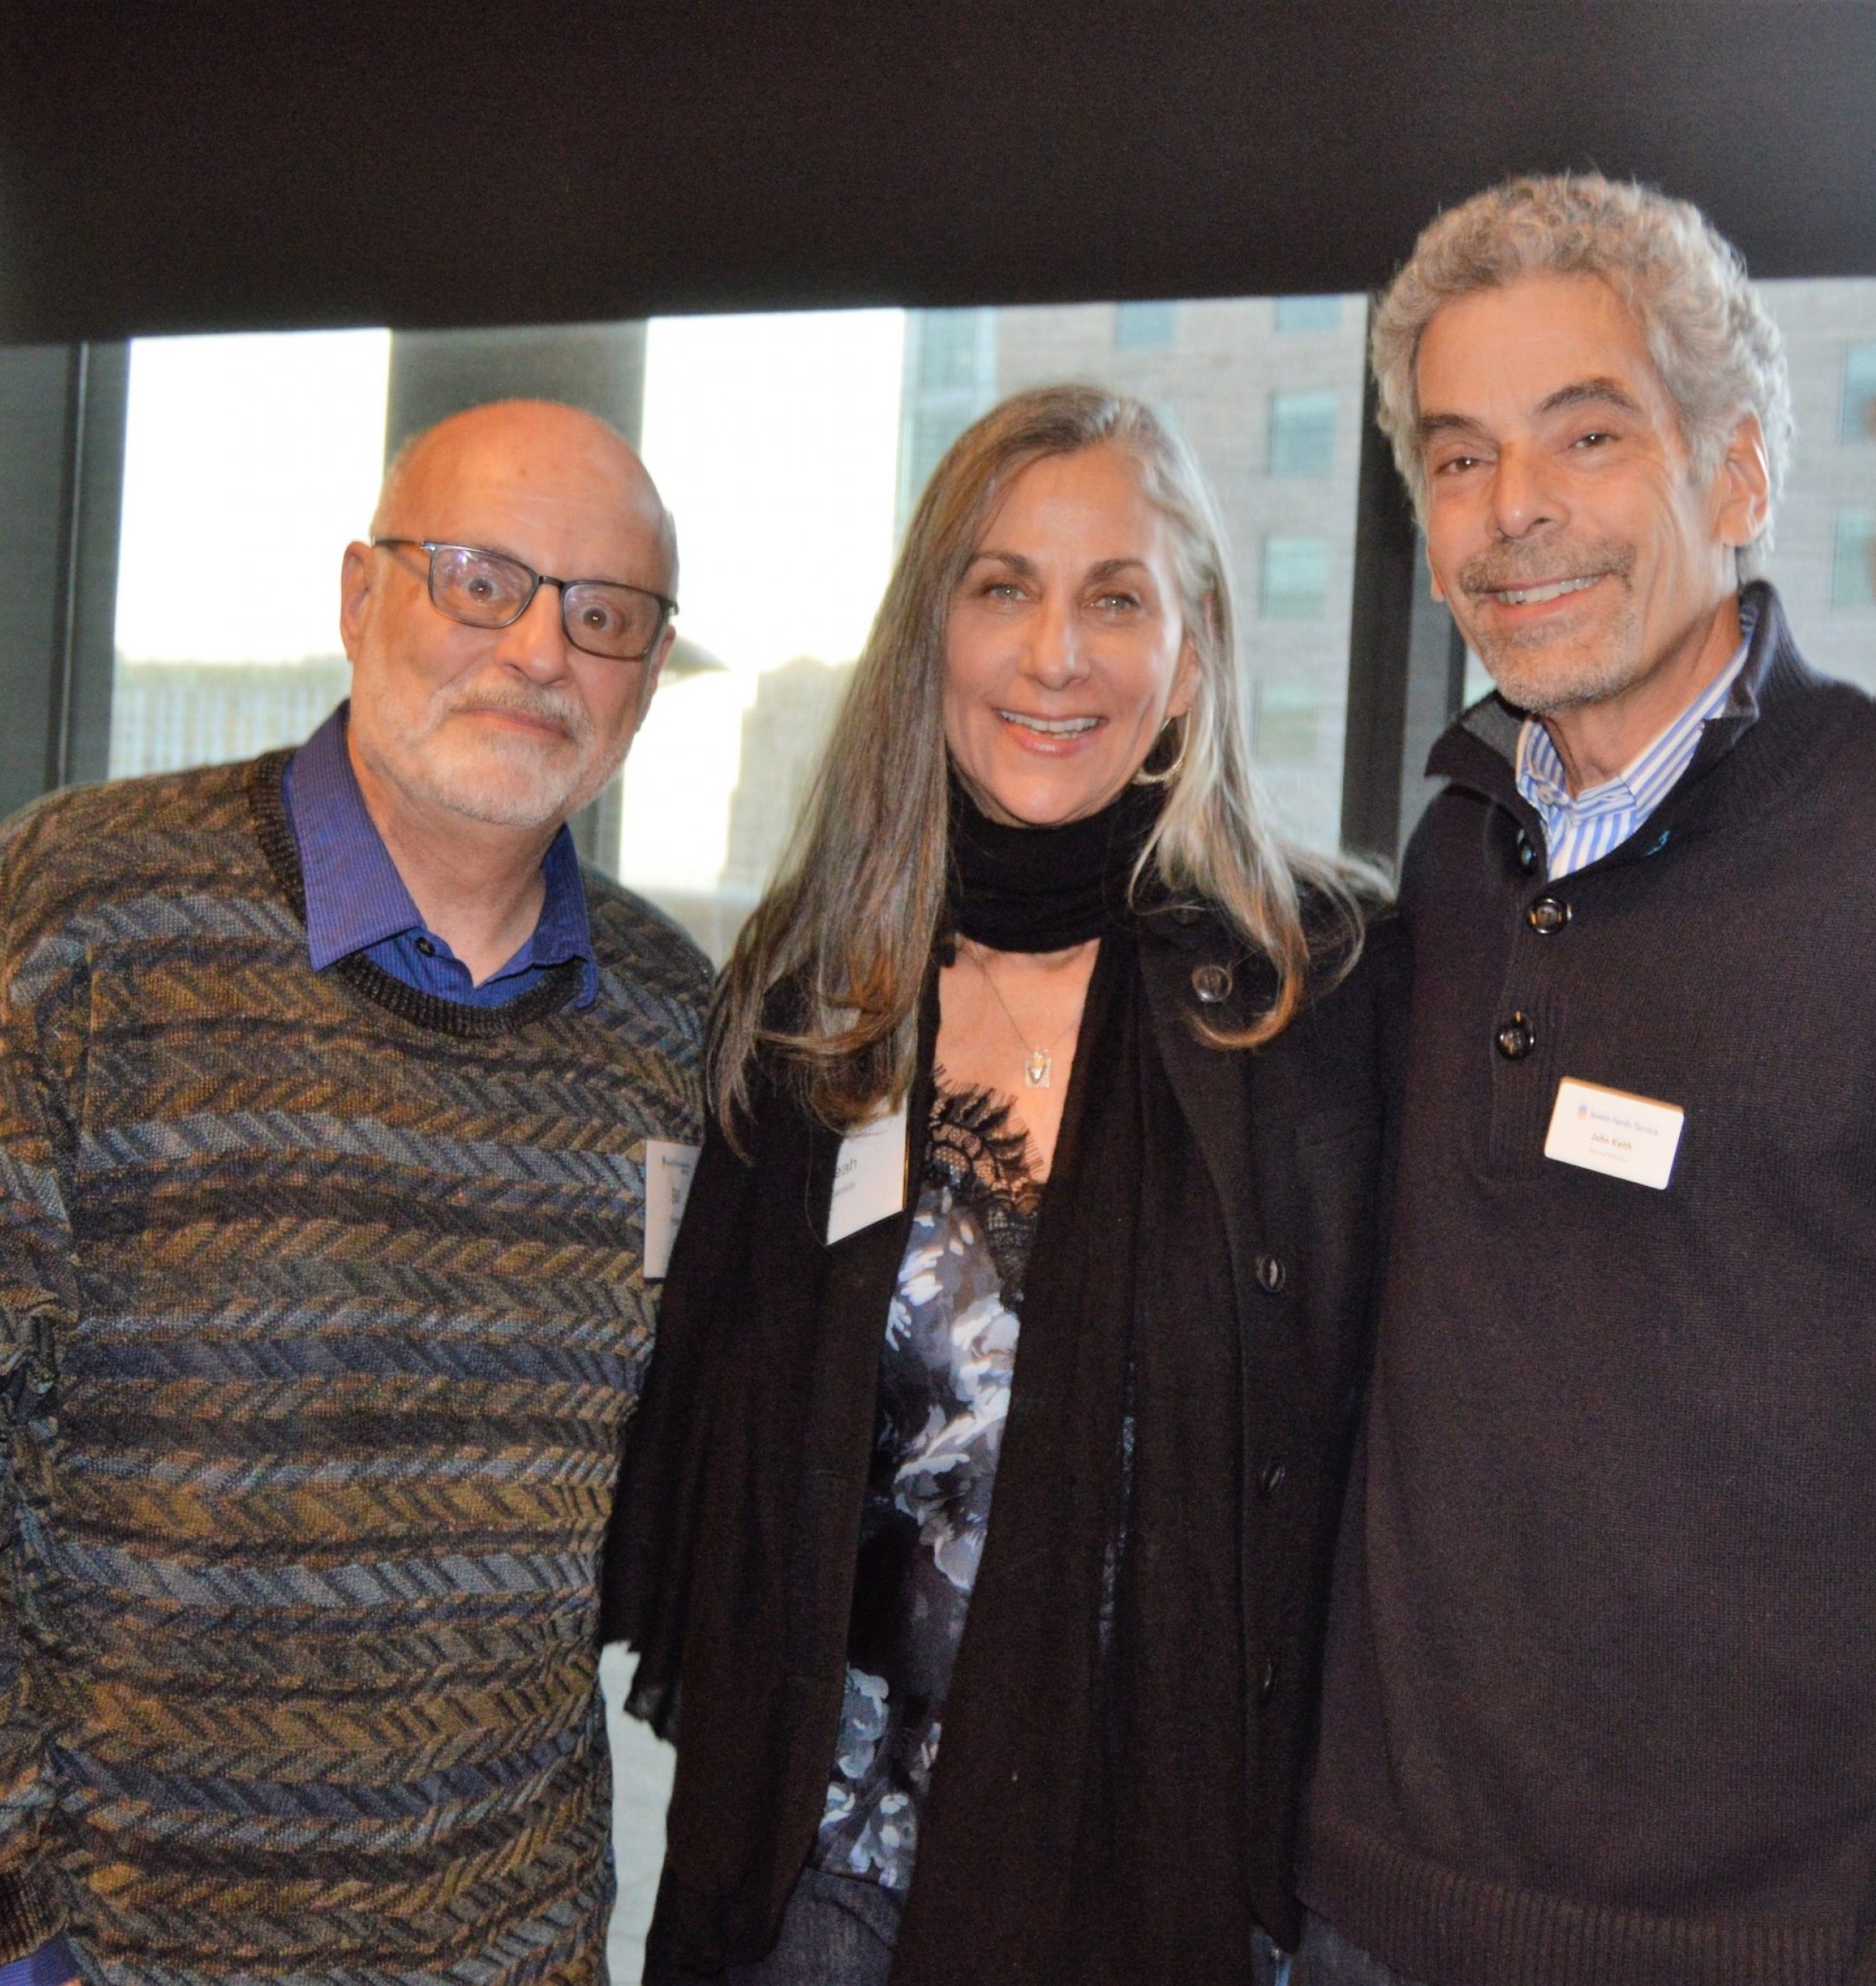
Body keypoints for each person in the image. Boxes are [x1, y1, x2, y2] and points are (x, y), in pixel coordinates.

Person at [602, 383, 1404, 1986]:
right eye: (1002, 587)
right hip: (823, 1875)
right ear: (933, 640)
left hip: (1174, 1884)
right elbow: (735, 1475)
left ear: (1190, 656)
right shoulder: (815, 992)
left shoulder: (1324, 991)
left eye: (1114, 597)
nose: (1055, 653)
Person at [1300, 174, 1876, 1986]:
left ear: (1734, 475)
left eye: (1583, 435)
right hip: (1366, 1905)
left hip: (1763, 1941)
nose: (1513, 511)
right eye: (1454, 458)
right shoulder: (1449, 858)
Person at [0, 399, 711, 1984]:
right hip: (115, 1948)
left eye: (604, 614)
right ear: (355, 593)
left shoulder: (678, 1026)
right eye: (478, 578)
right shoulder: (81, 917)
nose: (536, 648)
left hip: (516, 1943)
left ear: (647, 676)